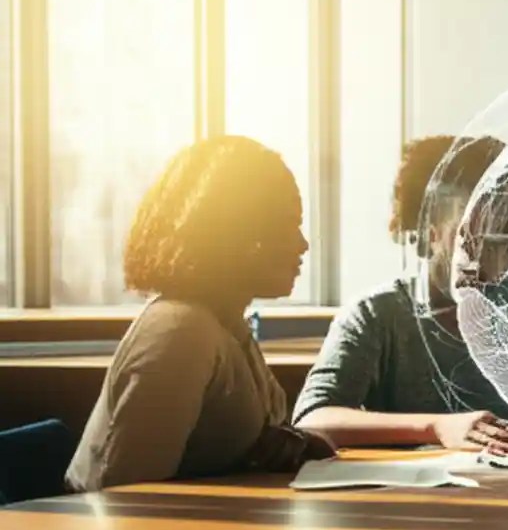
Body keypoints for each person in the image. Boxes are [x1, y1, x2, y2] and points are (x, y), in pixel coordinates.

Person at [293, 136, 508, 451]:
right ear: (431, 233)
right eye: (478, 240)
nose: (497, 262)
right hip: (422, 497)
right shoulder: (377, 315)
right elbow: (313, 418)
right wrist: (438, 427)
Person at [66, 136, 334, 492]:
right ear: (238, 233)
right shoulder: (181, 331)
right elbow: (128, 495)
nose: (303, 244)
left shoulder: (226, 322)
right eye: (287, 225)